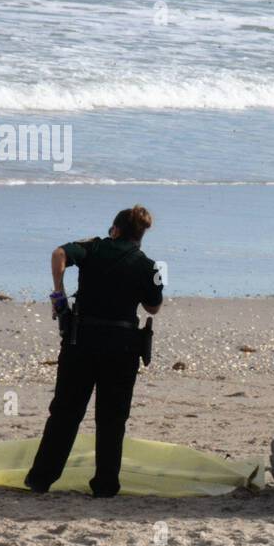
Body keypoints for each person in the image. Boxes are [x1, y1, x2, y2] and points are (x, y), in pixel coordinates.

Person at [25, 205, 164, 497]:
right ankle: (105, 485)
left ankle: (41, 479)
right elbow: (153, 306)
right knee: (112, 418)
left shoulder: (94, 248)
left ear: (114, 229)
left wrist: (58, 293)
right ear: (140, 235)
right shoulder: (150, 266)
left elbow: (58, 254)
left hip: (81, 341)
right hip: (122, 346)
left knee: (65, 412)